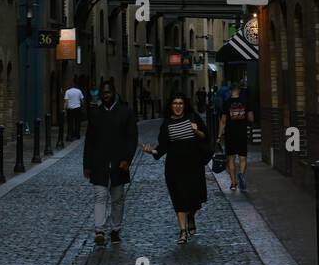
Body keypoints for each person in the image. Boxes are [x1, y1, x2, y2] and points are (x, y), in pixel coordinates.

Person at [143, 94, 210, 243]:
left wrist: (196, 131)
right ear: (171, 106)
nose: (178, 106)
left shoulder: (193, 117)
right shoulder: (166, 124)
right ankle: (183, 232)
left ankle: (191, 215)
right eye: (175, 103)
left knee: (193, 197)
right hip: (174, 167)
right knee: (179, 197)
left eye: (180, 103)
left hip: (193, 165)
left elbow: (205, 137)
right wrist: (151, 151)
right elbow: (162, 147)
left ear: (184, 105)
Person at [82, 81, 138, 246]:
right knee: (100, 195)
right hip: (99, 162)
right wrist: (87, 164)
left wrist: (127, 159)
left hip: (119, 162)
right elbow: (89, 140)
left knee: (117, 197)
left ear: (113, 93)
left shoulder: (125, 112)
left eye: (108, 93)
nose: (106, 96)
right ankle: (99, 230)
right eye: (103, 93)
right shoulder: (96, 113)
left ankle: (115, 229)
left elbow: (131, 138)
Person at [219, 83, 253, 192]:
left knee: (231, 159)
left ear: (230, 91)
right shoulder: (246, 101)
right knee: (243, 158)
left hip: (230, 134)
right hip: (242, 133)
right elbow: (251, 118)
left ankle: (233, 183)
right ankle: (241, 175)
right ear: (239, 90)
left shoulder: (227, 102)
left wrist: (219, 136)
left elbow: (223, 121)